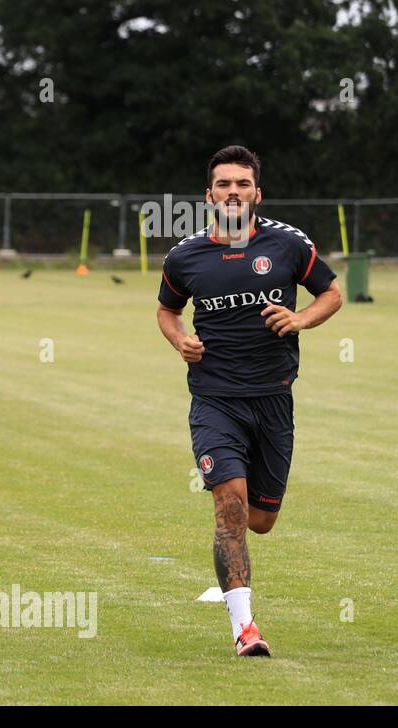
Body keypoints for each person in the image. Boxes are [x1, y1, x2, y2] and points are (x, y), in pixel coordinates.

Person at [156, 145, 342, 656]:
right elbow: (167, 311)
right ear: (209, 195)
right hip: (215, 400)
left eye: (242, 184)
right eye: (223, 184)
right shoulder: (185, 256)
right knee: (230, 507)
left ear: (256, 193)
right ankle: (245, 630)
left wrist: (300, 318)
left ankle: (236, 569)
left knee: (261, 519)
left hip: (274, 401)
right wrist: (180, 341)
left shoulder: (287, 245)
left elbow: (331, 292)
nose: (233, 192)